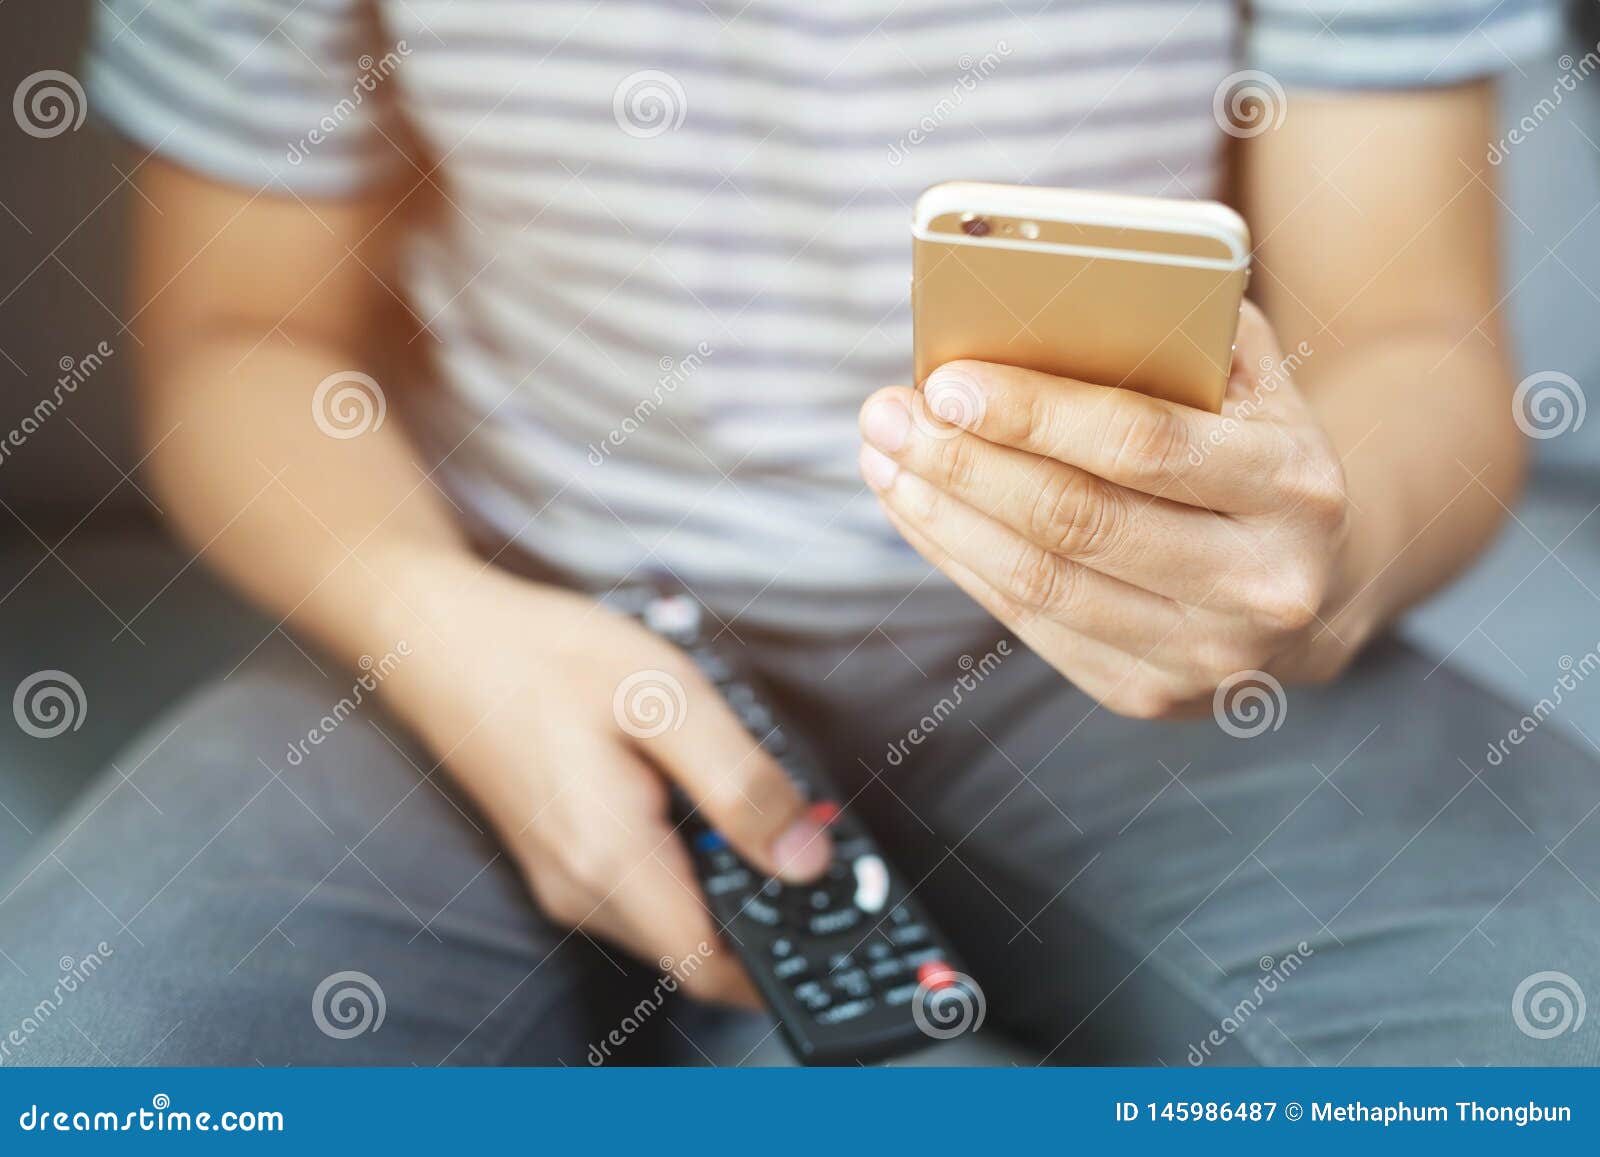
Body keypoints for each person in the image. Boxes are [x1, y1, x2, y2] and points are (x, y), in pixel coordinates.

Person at [2, 0, 1595, 1066]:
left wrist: (1304, 570)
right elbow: (242, 335)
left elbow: (1411, 346)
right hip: (498, 599)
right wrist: (438, 628)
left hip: (1120, 640)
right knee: (87, 1059)